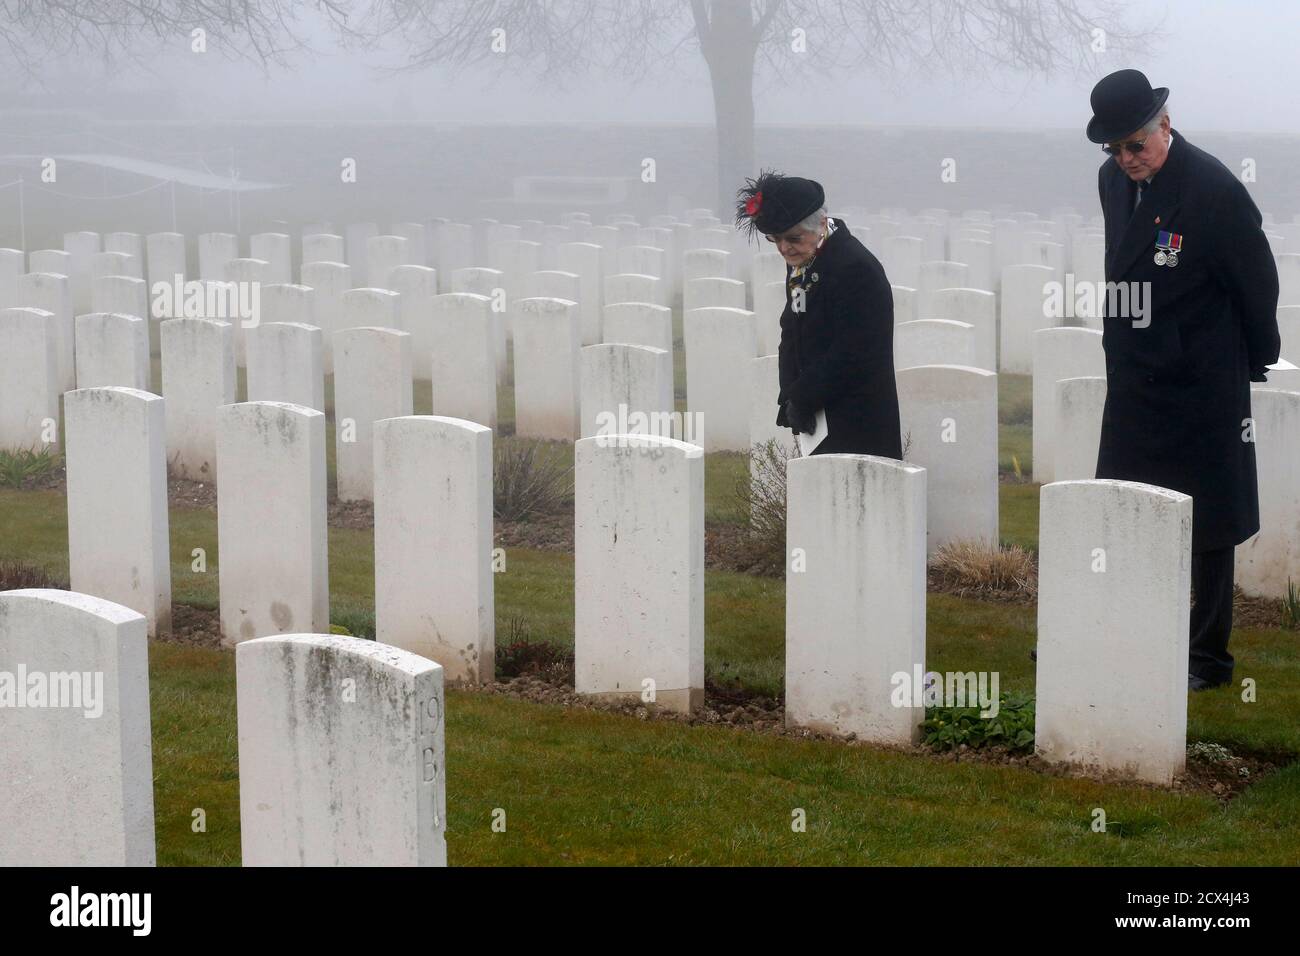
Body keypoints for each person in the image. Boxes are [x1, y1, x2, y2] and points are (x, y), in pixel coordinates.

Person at [1086, 69, 1281, 690]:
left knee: (1208, 518)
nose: (1125, 159)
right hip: (1135, 373)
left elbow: (1256, 282)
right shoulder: (1111, 180)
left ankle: (1207, 658)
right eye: (1114, 148)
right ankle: (1114, 630)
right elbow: (1122, 265)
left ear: (1165, 125)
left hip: (1200, 375)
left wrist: (1253, 360)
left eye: (1135, 145)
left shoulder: (1214, 189)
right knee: (1120, 505)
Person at [735, 170, 902, 457]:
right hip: (817, 407)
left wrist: (803, 397)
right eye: (776, 240)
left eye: (793, 238)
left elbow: (855, 351)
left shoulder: (855, 268)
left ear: (821, 224)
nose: (784, 248)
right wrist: (789, 394)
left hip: (856, 415)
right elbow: (791, 325)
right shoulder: (808, 255)